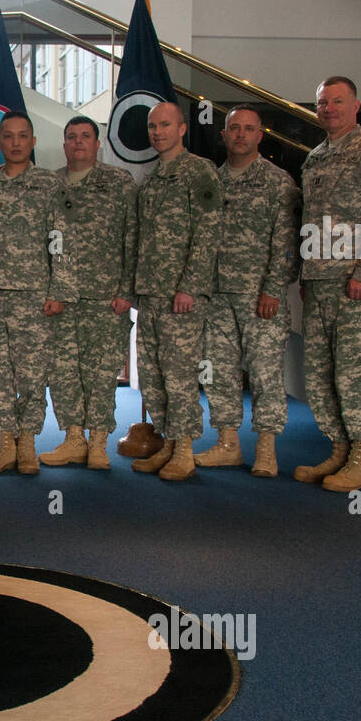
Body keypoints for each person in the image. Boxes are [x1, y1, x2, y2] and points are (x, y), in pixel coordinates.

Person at [295, 75, 361, 491]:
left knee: (354, 372)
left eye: (337, 102)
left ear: (356, 106)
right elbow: (310, 220)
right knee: (321, 372)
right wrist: (308, 274)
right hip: (319, 281)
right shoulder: (315, 156)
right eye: (322, 103)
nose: (329, 109)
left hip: (353, 282)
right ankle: (339, 450)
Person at [195, 105, 301, 477]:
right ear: (223, 135)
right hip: (216, 294)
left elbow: (286, 242)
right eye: (234, 128)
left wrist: (273, 289)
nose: (240, 135)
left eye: (248, 129)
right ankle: (227, 444)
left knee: (264, 374)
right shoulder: (210, 181)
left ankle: (267, 450)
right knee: (218, 371)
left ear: (260, 136)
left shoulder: (278, 182)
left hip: (260, 297)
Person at [127, 101, 222, 481]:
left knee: (181, 374)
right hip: (150, 294)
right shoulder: (152, 176)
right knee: (153, 374)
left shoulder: (199, 171)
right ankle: (167, 443)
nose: (157, 132)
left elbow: (208, 232)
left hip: (181, 296)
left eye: (165, 125)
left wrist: (190, 286)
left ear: (182, 129)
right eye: (152, 127)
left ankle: (184, 449)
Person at [39, 115, 137, 470]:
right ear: (64, 145)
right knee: (63, 372)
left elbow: (132, 237)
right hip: (61, 298)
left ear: (98, 144)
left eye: (85, 137)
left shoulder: (118, 183)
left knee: (101, 374)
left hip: (105, 297)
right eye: (71, 137)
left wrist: (127, 290)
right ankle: (73, 439)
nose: (78, 142)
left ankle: (98, 442)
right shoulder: (49, 185)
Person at [0, 110, 60, 475]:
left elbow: (61, 241)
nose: (16, 143)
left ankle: (28, 444)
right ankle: (6, 442)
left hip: (35, 297)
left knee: (34, 375)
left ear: (33, 142)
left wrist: (59, 290)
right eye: (8, 136)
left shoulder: (50, 186)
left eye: (23, 136)